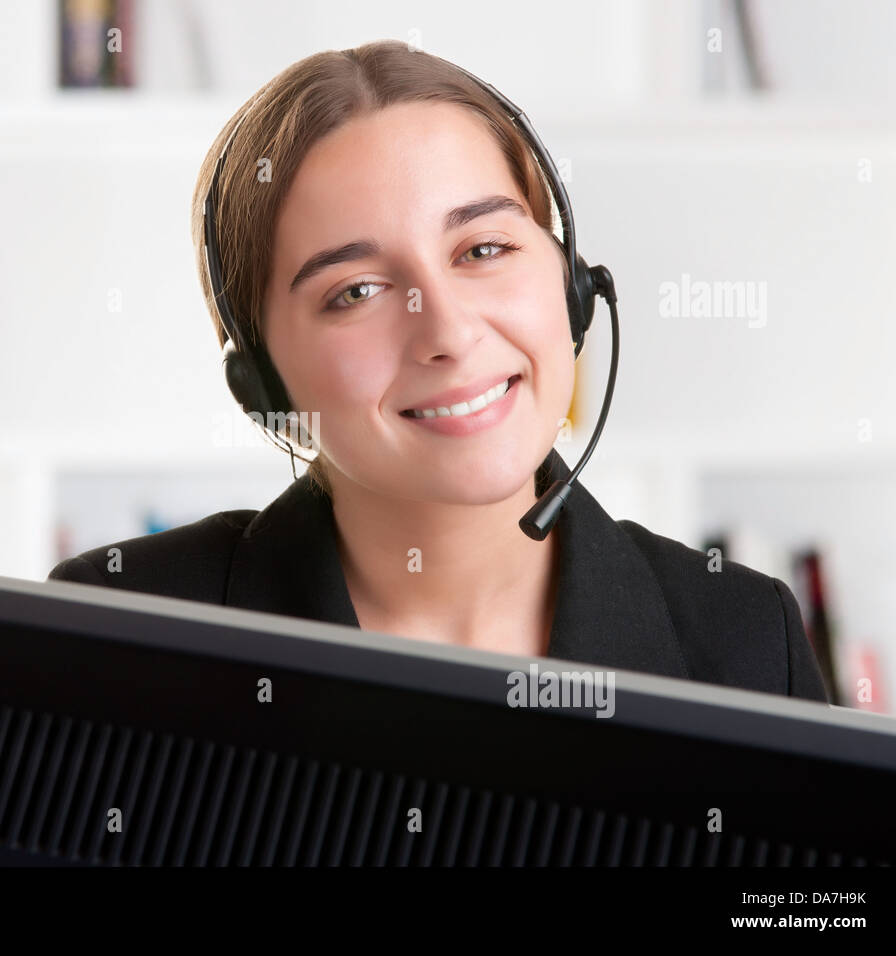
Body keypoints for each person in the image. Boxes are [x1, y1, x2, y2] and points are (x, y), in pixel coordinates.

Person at [49, 39, 829, 703]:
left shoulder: (744, 638)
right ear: (263, 384)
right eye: (355, 292)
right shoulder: (124, 630)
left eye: (483, 250)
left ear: (572, 287)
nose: (448, 333)